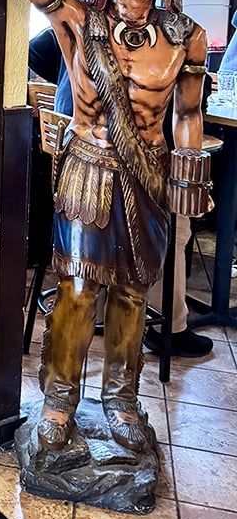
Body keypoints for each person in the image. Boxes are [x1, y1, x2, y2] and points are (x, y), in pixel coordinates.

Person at [15, 0, 208, 453]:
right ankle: (58, 404)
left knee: (133, 290)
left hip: (148, 174)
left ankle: (121, 402)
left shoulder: (186, 36)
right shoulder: (79, 21)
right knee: (78, 289)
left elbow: (188, 113)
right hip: (88, 170)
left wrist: (190, 172)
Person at [28, 27, 213, 359]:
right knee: (175, 227)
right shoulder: (159, 35)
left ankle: (102, 308)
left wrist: (72, 73)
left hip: (71, 162)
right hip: (115, 162)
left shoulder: (78, 23)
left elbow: (34, 51)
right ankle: (169, 328)